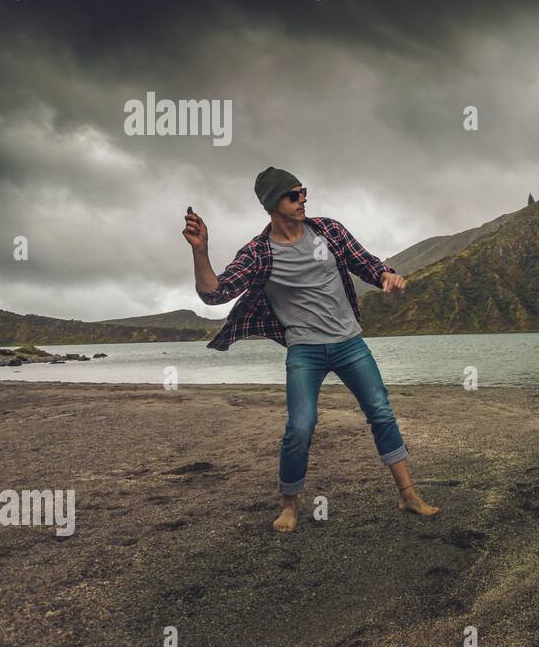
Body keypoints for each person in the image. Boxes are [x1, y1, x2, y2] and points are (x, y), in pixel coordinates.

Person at [182, 166, 438, 532]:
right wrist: (201, 250)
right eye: (293, 195)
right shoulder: (259, 253)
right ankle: (289, 505)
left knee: (381, 411)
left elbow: (365, 262)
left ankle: (409, 495)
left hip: (350, 343)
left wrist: (386, 276)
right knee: (301, 426)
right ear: (273, 204)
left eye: (303, 192)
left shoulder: (328, 231)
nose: (303, 199)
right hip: (305, 350)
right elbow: (214, 293)